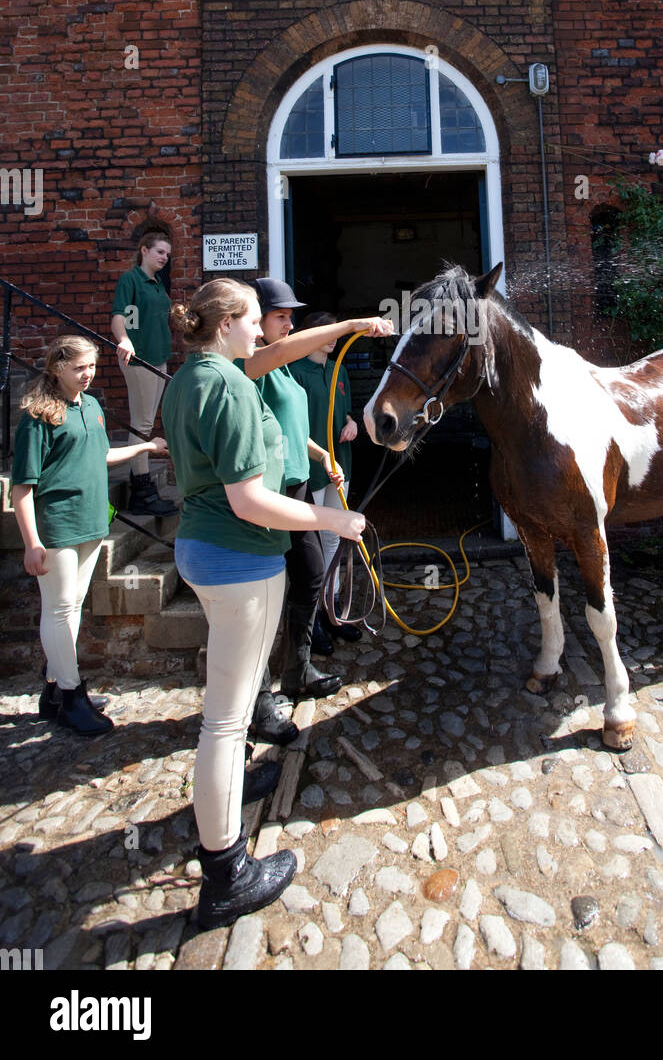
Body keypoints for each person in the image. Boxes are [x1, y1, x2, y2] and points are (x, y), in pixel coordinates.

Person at [161, 278, 367, 930]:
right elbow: (249, 499)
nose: (262, 330)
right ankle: (225, 872)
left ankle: (223, 808)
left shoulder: (192, 375)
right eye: (253, 319)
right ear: (226, 322)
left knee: (234, 706)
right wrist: (330, 521)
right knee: (223, 723)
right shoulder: (225, 385)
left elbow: (279, 352)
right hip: (239, 557)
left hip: (202, 548)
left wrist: (344, 328)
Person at [235, 280, 391, 745]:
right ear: (257, 320)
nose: (289, 323)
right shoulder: (256, 361)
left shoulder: (282, 369)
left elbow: (287, 423)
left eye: (289, 317)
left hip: (300, 481)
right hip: (269, 490)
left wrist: (321, 454)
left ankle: (297, 668)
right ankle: (259, 700)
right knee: (265, 594)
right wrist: (352, 326)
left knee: (309, 574)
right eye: (281, 316)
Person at [11, 335, 169, 735]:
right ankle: (71, 696)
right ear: (57, 367)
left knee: (74, 605)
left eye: (92, 367)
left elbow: (100, 456)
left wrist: (144, 448)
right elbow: (23, 487)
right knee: (60, 608)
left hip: (92, 520)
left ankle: (53, 688)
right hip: (58, 525)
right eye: (79, 368)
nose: (87, 375)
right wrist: (32, 543)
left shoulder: (93, 406)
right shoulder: (38, 415)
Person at [289, 311, 359, 642]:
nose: (332, 337)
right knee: (313, 543)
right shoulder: (295, 370)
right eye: (324, 331)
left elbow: (345, 409)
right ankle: (312, 616)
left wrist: (352, 423)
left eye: (335, 331)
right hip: (312, 467)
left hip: (339, 466)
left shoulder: (339, 369)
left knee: (334, 538)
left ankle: (333, 610)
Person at [110, 230, 177, 517]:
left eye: (167, 254)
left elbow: (146, 316)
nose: (164, 257)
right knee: (142, 423)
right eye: (160, 252)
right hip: (139, 360)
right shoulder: (131, 280)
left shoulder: (157, 283)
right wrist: (124, 339)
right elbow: (119, 316)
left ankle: (144, 487)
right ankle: (141, 490)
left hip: (159, 358)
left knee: (147, 423)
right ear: (144, 251)